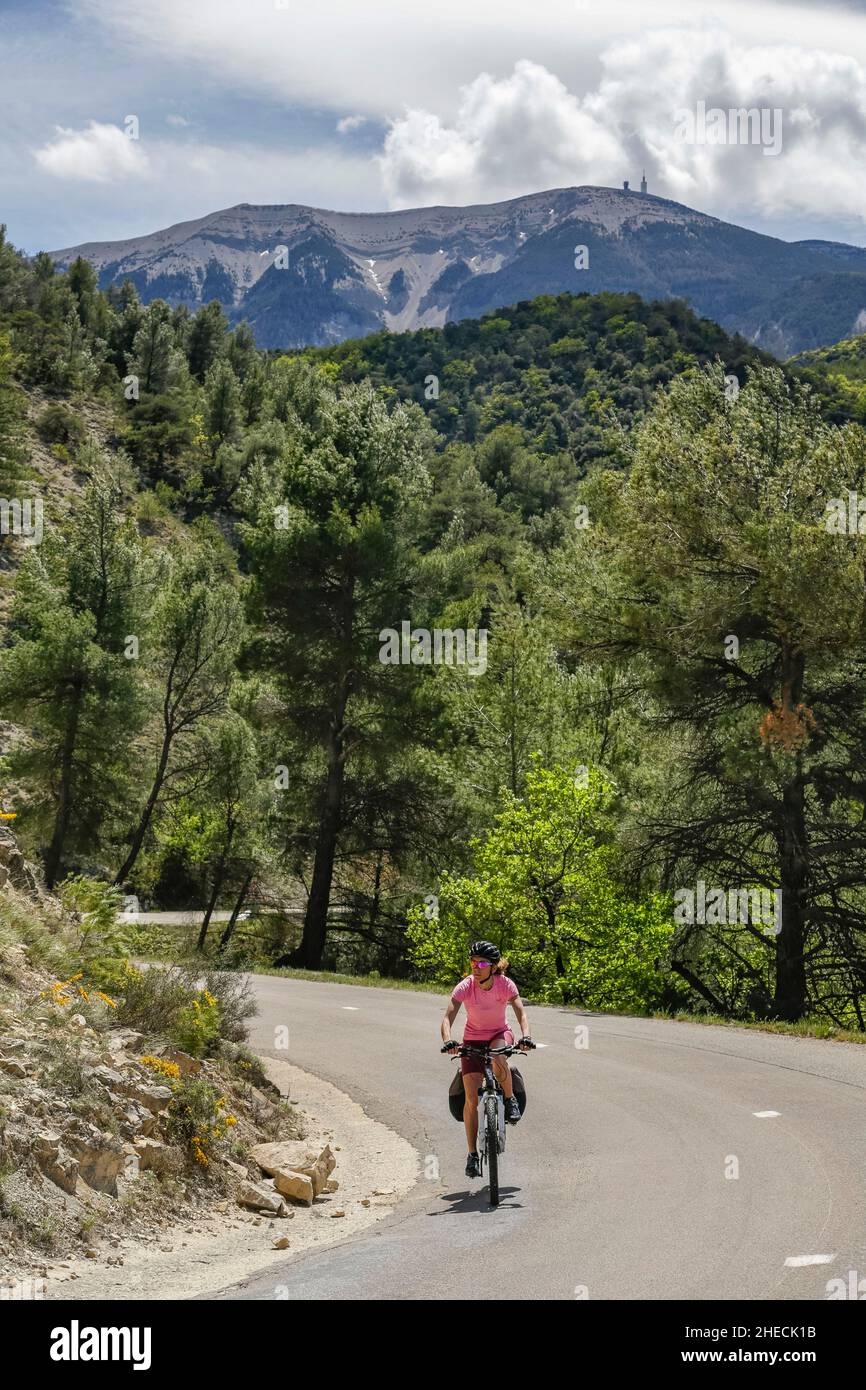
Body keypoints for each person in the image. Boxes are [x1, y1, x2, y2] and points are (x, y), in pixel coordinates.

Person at [440, 940, 533, 1178]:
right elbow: (448, 1017)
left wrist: (526, 1036)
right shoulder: (465, 986)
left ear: (493, 966)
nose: (475, 966)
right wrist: (449, 1040)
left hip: (499, 1034)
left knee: (498, 1054)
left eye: (481, 962)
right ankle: (472, 1155)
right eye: (472, 962)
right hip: (472, 1040)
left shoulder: (504, 985)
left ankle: (510, 1100)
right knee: (471, 1098)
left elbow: (520, 1012)